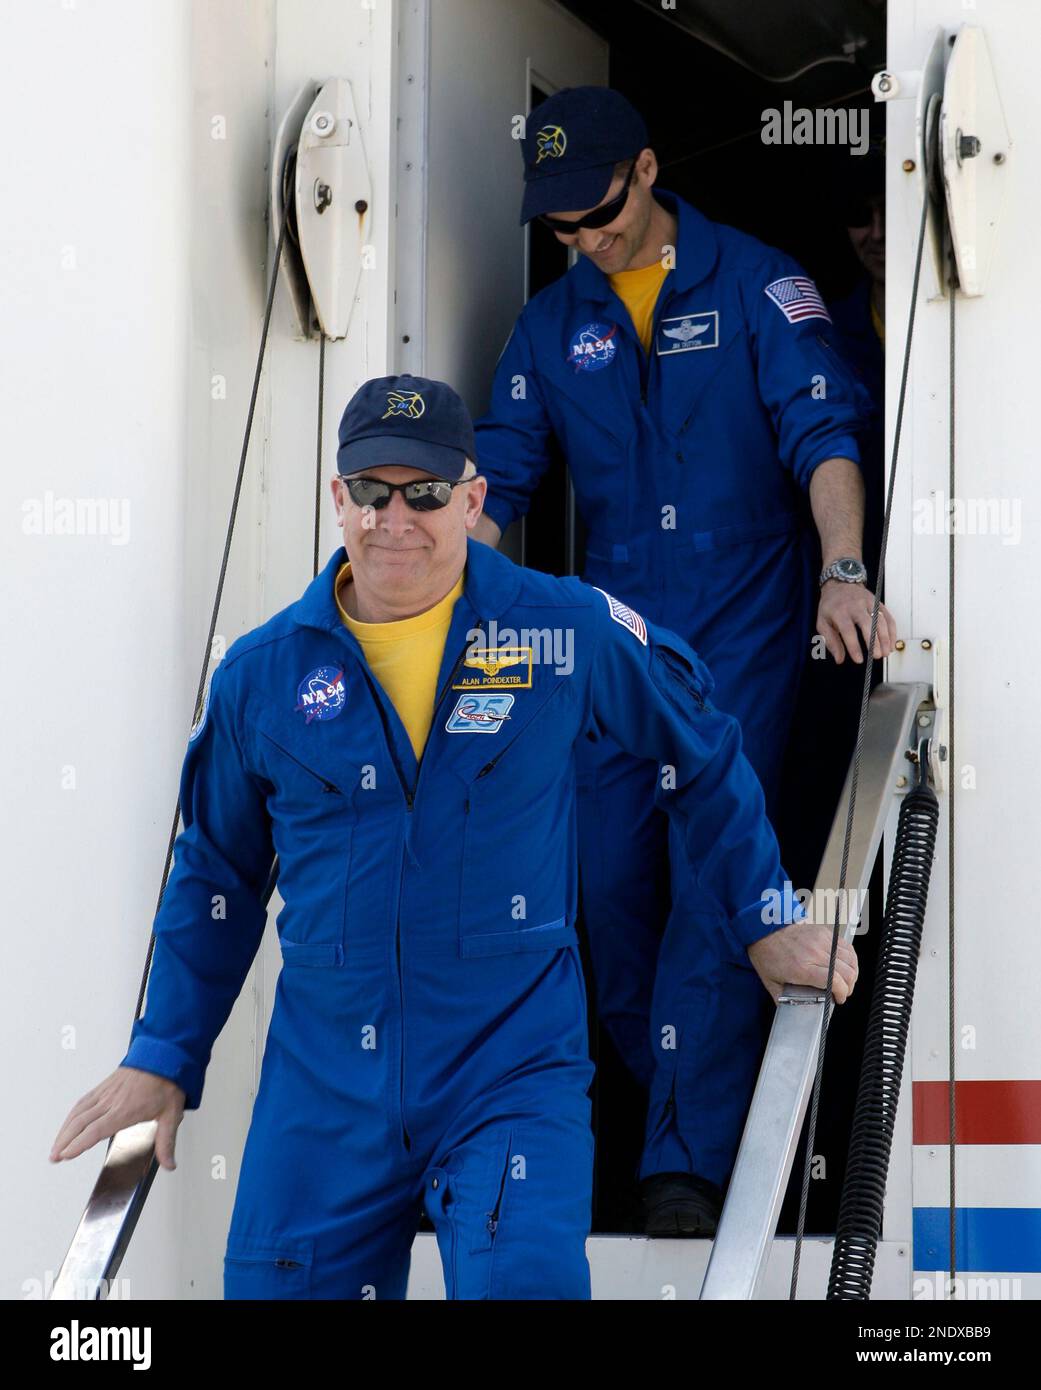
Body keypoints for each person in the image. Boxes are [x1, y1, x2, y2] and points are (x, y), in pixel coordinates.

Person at [49, 373, 857, 1300]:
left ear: (472, 501)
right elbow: (214, 880)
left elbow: (703, 752)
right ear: (338, 498)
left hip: (508, 1072)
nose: (396, 518)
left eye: (426, 493)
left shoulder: (564, 631)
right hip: (324, 1091)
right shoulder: (261, 676)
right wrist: (164, 1057)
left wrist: (763, 917)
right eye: (372, 491)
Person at [470, 86, 895, 1234]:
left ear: (649, 169)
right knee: (606, 886)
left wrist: (844, 569)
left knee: (720, 887)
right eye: (558, 228)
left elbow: (825, 434)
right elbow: (497, 482)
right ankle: (679, 1101)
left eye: (599, 214)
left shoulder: (760, 281)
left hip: (744, 618)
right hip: (612, 637)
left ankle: (682, 1169)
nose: (584, 241)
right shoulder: (553, 327)